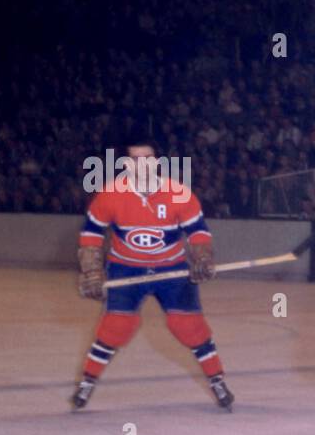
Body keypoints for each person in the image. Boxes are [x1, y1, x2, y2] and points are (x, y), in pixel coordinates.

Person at [72, 136, 232, 410]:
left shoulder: (179, 193)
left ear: (157, 162)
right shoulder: (110, 195)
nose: (143, 165)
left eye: (148, 158)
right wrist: (91, 269)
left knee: (190, 327)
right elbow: (92, 233)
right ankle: (88, 381)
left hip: (172, 269)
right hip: (125, 268)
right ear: (125, 164)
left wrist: (202, 255)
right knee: (115, 328)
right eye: (136, 160)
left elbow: (198, 231)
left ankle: (216, 379)